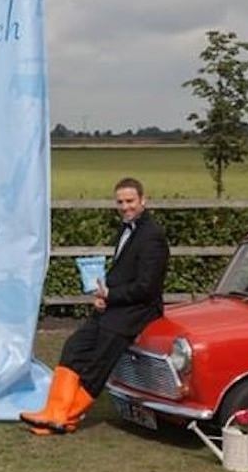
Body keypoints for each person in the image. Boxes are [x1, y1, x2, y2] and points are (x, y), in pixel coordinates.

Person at [21, 176, 168, 434]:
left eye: (130, 201)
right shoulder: (126, 230)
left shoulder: (152, 237)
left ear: (143, 201)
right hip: (114, 306)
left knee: (98, 364)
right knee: (74, 346)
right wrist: (104, 296)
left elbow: (147, 287)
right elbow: (121, 274)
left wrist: (110, 295)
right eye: (120, 202)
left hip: (136, 313)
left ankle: (65, 419)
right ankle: (53, 411)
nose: (125, 207)